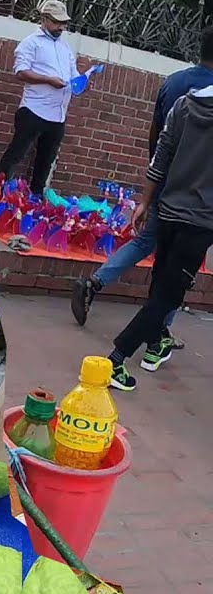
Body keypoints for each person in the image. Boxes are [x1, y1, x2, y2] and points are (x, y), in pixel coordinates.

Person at [71, 25, 213, 358]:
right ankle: (149, 337)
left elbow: (157, 137)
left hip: (164, 185)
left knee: (149, 245)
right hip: (200, 204)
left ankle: (98, 281)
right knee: (175, 276)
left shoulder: (176, 85)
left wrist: (153, 186)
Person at [105, 85, 213, 391]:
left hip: (167, 210)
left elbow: (160, 157)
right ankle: (116, 359)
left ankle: (154, 347)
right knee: (169, 295)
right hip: (200, 221)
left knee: (161, 282)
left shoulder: (183, 104)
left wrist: (145, 201)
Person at [0, 0, 79, 192]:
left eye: (63, 23)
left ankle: (36, 198)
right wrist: (48, 80)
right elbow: (21, 72)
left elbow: (73, 75)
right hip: (34, 109)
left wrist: (82, 82)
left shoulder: (65, 48)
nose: (61, 27)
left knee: (45, 161)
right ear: (45, 20)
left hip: (58, 114)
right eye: (57, 22)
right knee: (16, 154)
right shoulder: (31, 43)